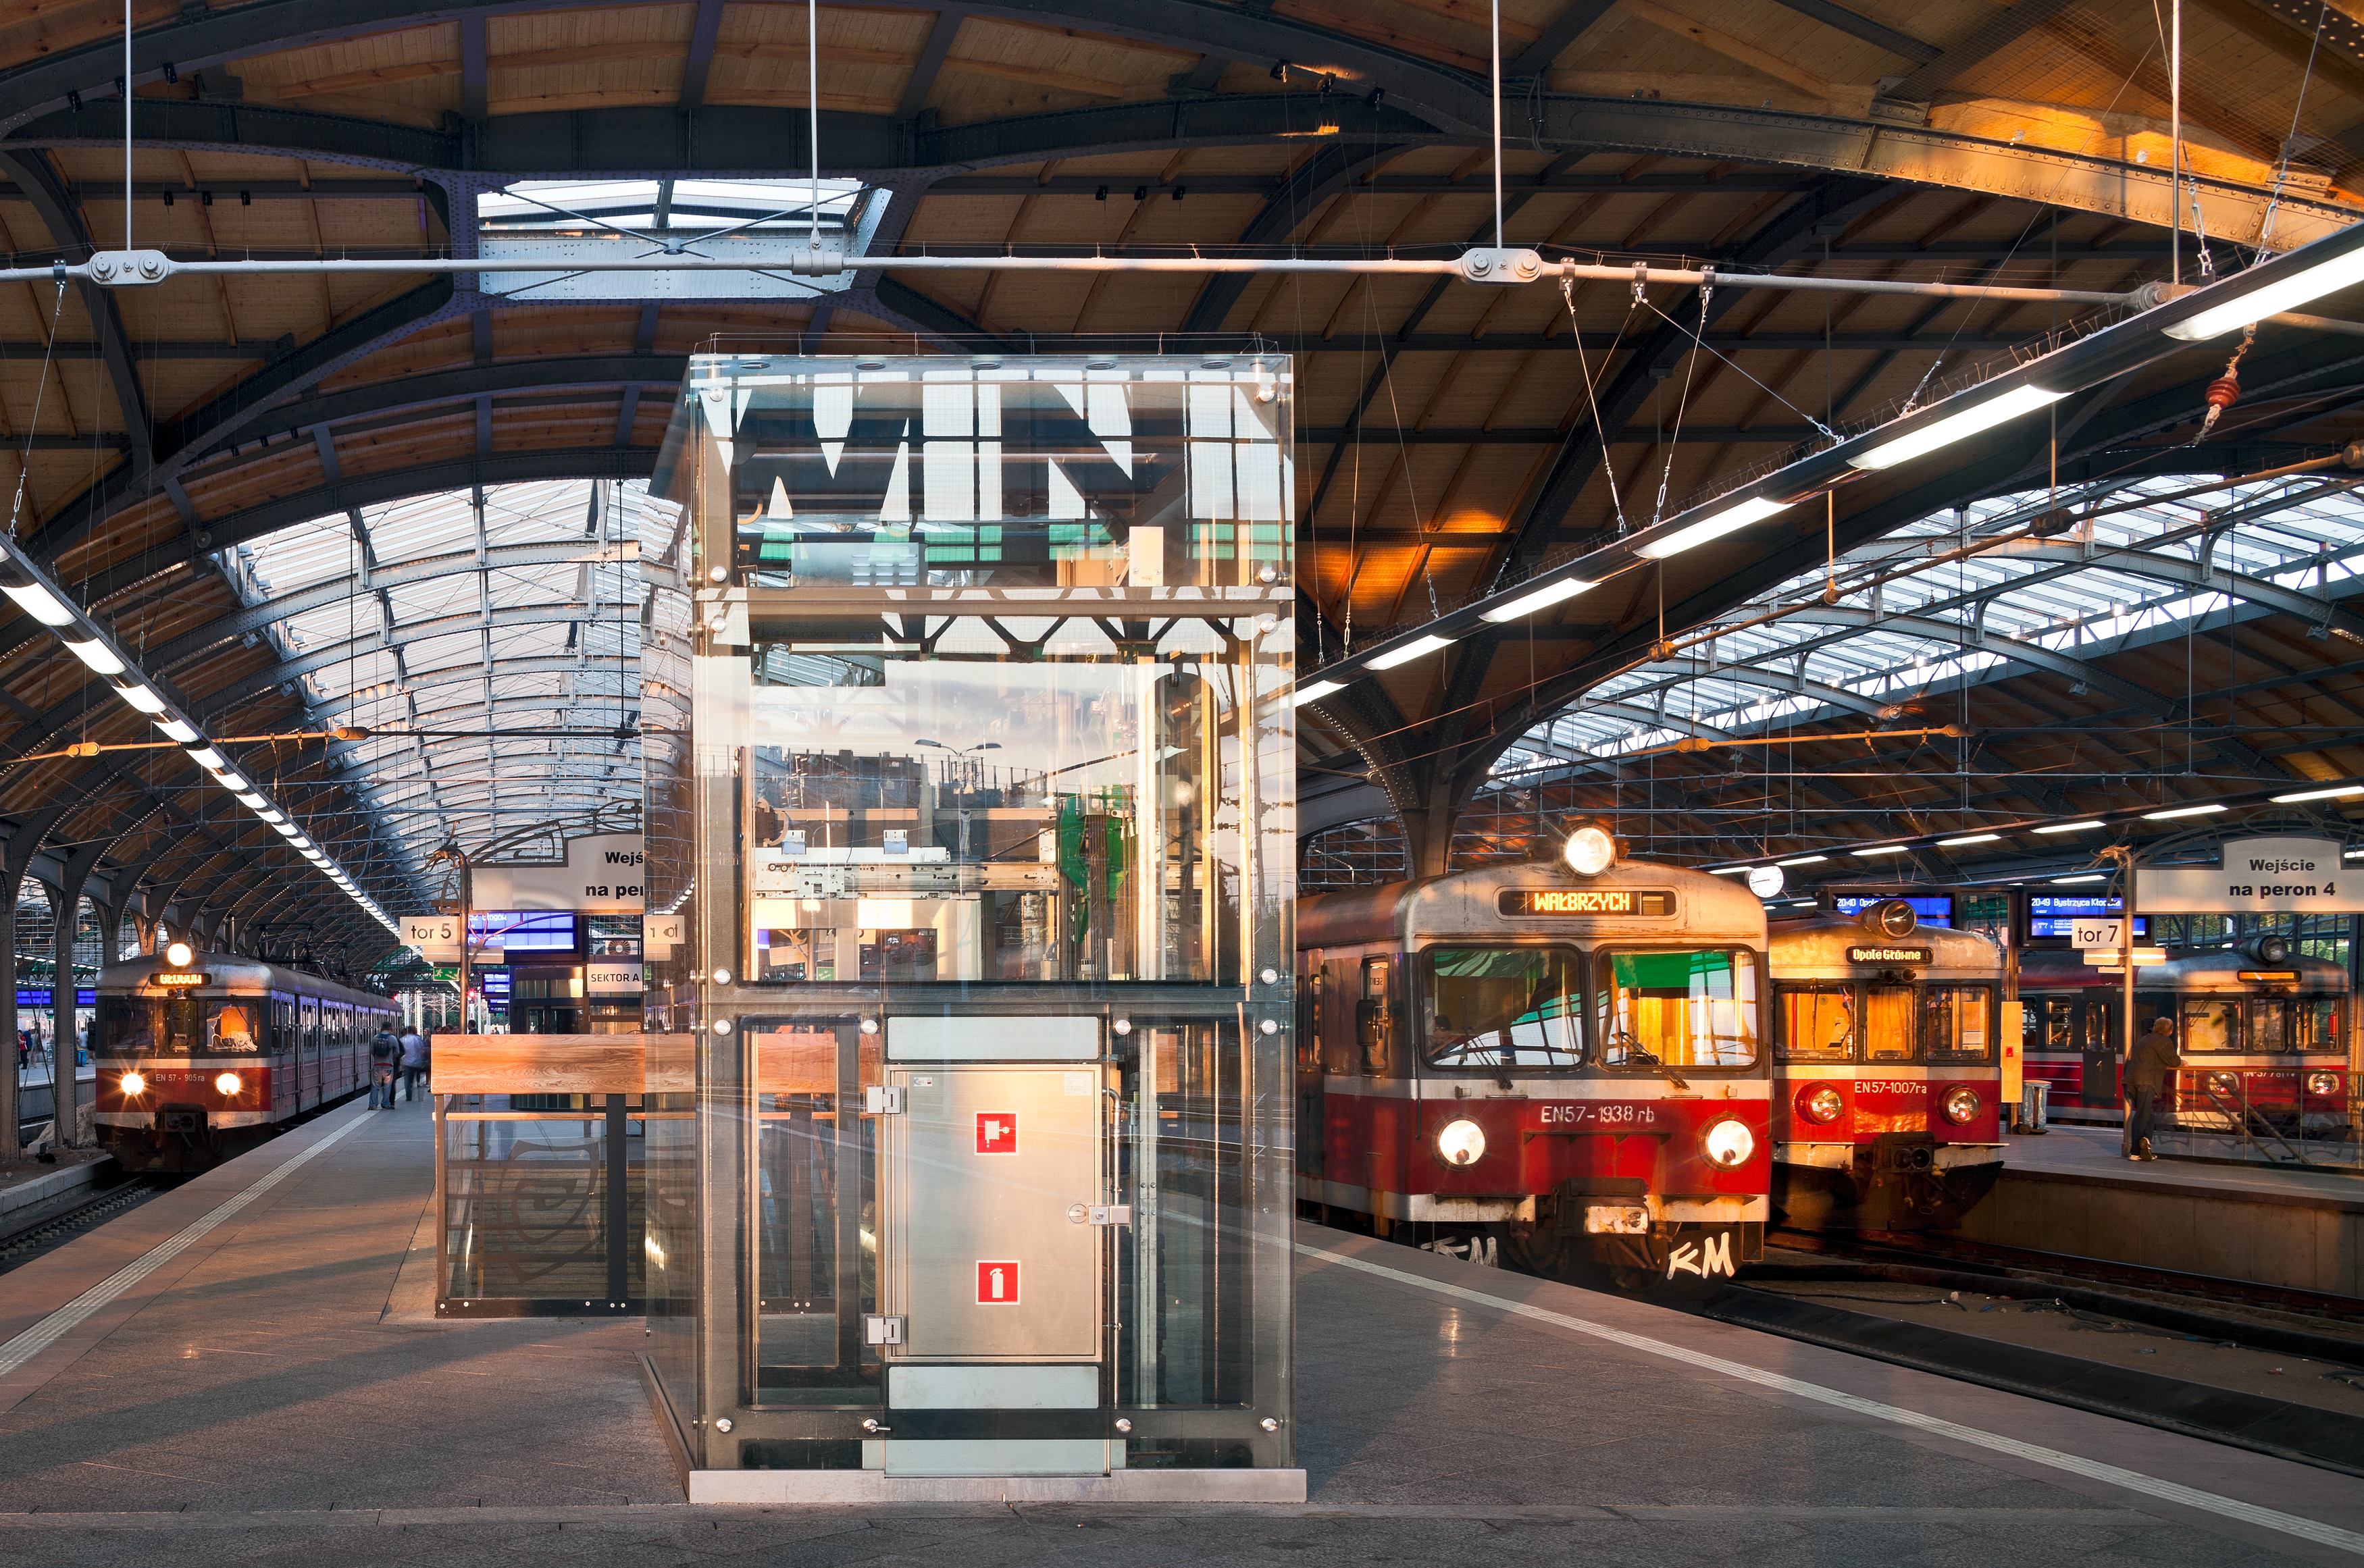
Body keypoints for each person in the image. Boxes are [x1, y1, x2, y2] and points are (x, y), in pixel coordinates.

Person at [2123, 1014, 2182, 1161]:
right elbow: (2174, 1061)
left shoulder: (2144, 1039)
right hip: (2146, 1082)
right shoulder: (2164, 1041)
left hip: (2132, 1082)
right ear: (2169, 1031)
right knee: (2142, 1116)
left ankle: (2146, 1145)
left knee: (2149, 1116)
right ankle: (2135, 1151)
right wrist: (2183, 1062)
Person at [367, 1024, 403, 1109]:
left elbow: (372, 1051)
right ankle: (385, 1104)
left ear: (381, 1028)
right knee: (387, 1086)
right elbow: (397, 1052)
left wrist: (377, 1058)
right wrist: (392, 1058)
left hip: (377, 1065)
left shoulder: (375, 1038)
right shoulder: (392, 1038)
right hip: (388, 1065)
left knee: (375, 1085)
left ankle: (373, 1105)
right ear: (390, 1028)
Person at [399, 1025, 428, 1103]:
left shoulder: (403, 1039)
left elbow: (401, 1051)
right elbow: (422, 1049)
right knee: (417, 1077)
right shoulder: (417, 1039)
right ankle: (420, 1096)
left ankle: (409, 1097)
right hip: (417, 1063)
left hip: (407, 1063)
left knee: (408, 1081)